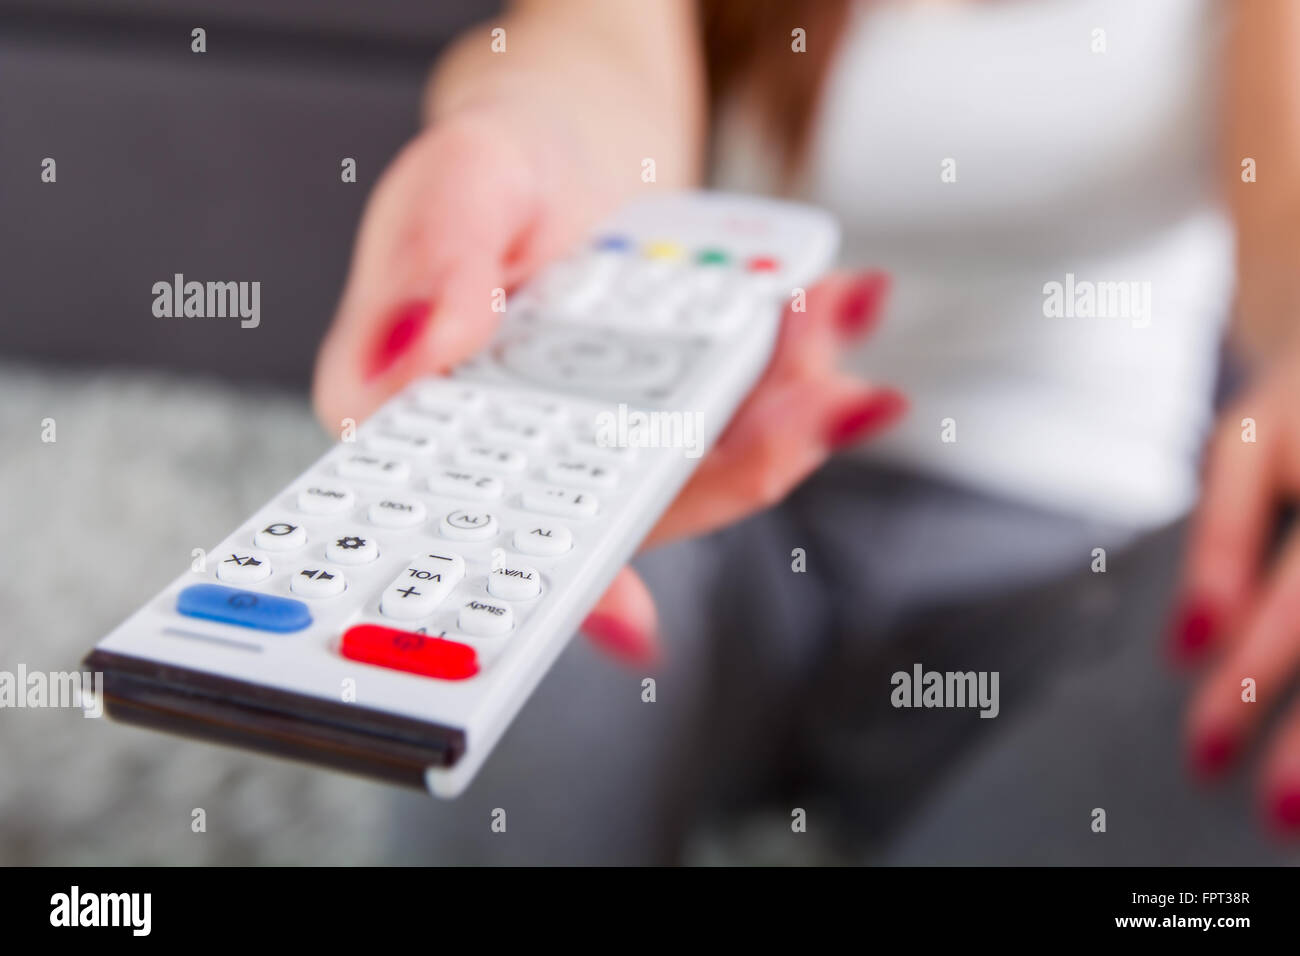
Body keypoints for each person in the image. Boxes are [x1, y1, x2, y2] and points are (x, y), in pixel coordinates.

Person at [311, 0, 1300, 863]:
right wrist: (517, 138)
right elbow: (591, 49)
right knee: (513, 513)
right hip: (711, 510)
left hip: (1061, 584)